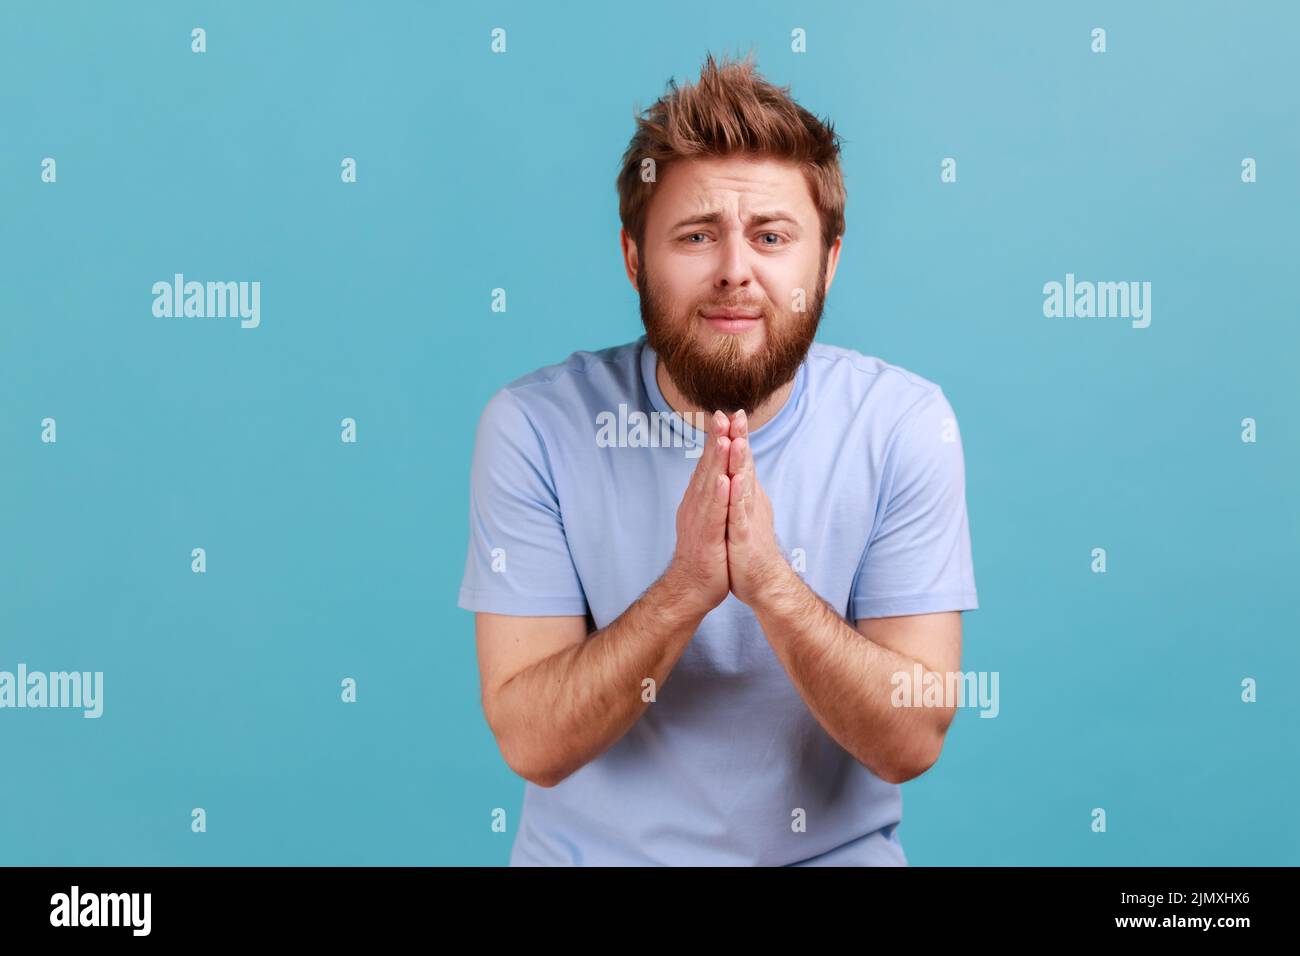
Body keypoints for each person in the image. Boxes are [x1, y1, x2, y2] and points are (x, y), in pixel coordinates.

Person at [457, 51, 979, 866]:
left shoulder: (904, 425)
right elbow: (530, 742)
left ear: (829, 261)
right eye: (697, 235)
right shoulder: (534, 427)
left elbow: (912, 737)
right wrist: (684, 591)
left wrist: (768, 583)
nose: (736, 271)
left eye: (771, 236)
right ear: (634, 257)